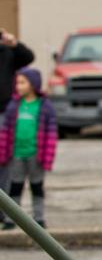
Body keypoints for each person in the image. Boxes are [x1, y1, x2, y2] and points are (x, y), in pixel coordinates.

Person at [1, 68, 57, 229]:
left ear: (33, 85)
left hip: (36, 155)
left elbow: (51, 134)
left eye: (22, 82)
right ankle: (11, 219)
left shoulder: (45, 106)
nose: (18, 86)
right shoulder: (14, 106)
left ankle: (38, 218)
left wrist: (47, 156)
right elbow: (6, 131)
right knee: (15, 186)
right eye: (17, 83)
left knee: (37, 186)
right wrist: (3, 153)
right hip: (17, 154)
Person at [0, 28, 34, 198]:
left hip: (4, 112)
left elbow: (28, 58)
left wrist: (14, 44)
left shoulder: (7, 53)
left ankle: (5, 211)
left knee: (4, 161)